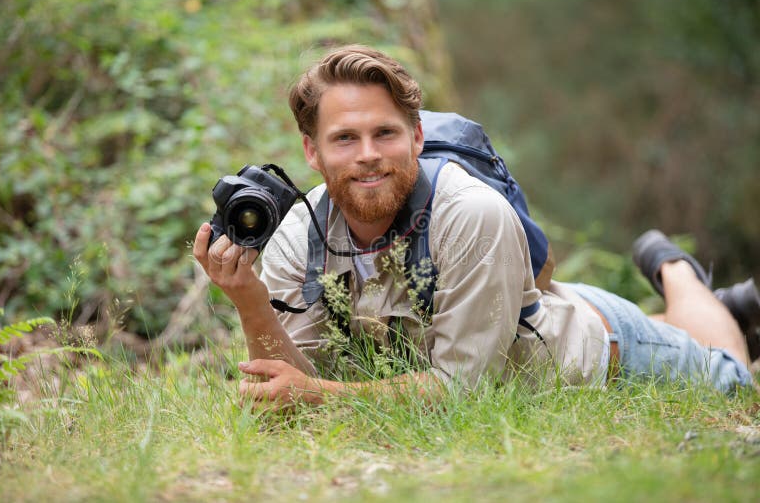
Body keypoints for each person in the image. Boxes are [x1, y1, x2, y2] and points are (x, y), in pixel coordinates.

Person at [192, 45, 757, 407]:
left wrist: (320, 396)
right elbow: (290, 387)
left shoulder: (471, 212)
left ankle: (676, 270)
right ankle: (723, 304)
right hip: (514, 305)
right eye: (345, 138)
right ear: (312, 151)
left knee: (733, 379)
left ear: (416, 137)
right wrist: (248, 299)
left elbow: (463, 390)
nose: (367, 154)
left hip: (603, 348)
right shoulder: (301, 230)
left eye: (385, 133)